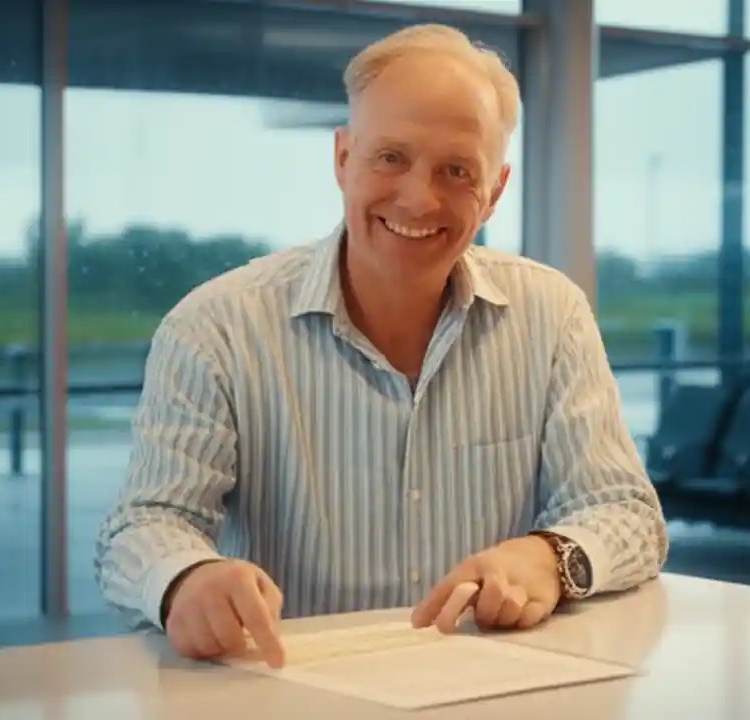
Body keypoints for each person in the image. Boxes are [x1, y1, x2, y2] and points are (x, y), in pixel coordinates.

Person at [94, 24, 668, 669]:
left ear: (496, 190)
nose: (419, 198)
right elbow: (143, 525)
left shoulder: (553, 315)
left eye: (457, 171)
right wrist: (186, 578)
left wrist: (551, 557)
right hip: (294, 693)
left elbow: (627, 512)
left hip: (492, 686)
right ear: (343, 159)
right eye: (391, 157)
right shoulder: (214, 329)